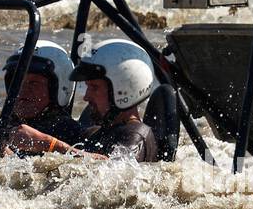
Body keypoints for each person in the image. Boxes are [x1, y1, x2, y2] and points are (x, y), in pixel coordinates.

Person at [10, 39, 160, 163]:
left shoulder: (137, 135)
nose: (86, 97)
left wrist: (47, 144)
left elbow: (113, 172)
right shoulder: (93, 133)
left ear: (124, 89)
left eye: (94, 87)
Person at [0, 40, 89, 156]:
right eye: (18, 82)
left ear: (58, 89)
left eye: (34, 83)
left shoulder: (70, 130)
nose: (22, 90)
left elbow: (101, 164)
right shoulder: (8, 121)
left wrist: (49, 144)